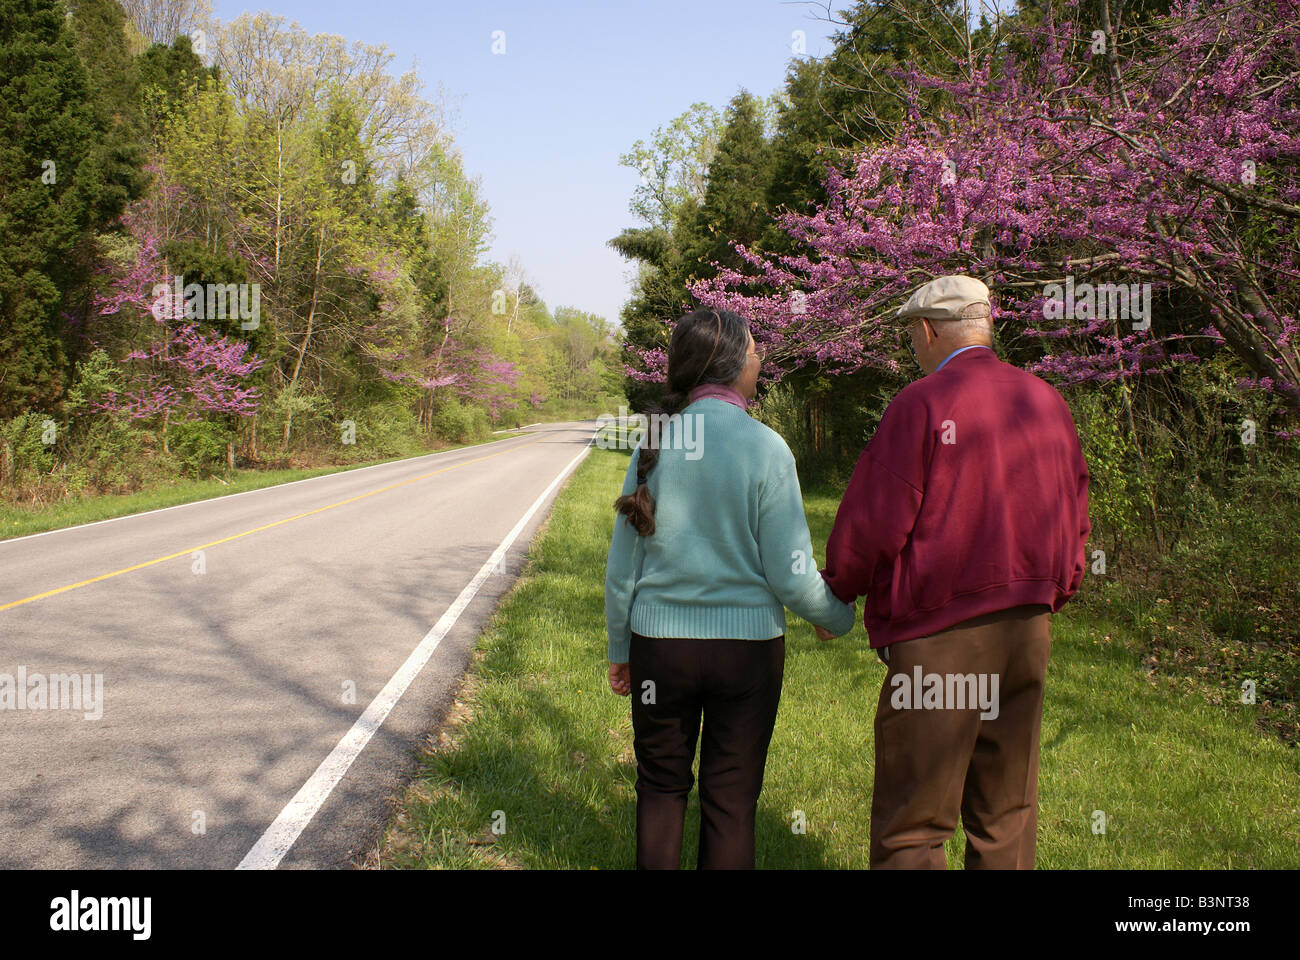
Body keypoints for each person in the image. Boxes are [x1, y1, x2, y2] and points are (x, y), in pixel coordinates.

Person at [818, 275, 1090, 869]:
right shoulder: (1046, 401)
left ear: (927, 330)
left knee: (914, 823)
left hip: (941, 635)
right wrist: (1056, 592)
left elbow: (875, 519)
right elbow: (1075, 512)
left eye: (910, 338)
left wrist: (835, 589)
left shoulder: (923, 402)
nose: (912, 350)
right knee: (1006, 814)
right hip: (1026, 630)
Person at [605, 307, 854, 869]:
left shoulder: (655, 444)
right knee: (732, 799)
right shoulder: (767, 448)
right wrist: (836, 616)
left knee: (661, 788)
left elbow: (623, 569)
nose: (761, 362)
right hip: (746, 657)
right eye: (756, 352)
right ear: (736, 362)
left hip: (658, 651)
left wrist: (621, 651)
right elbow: (791, 572)